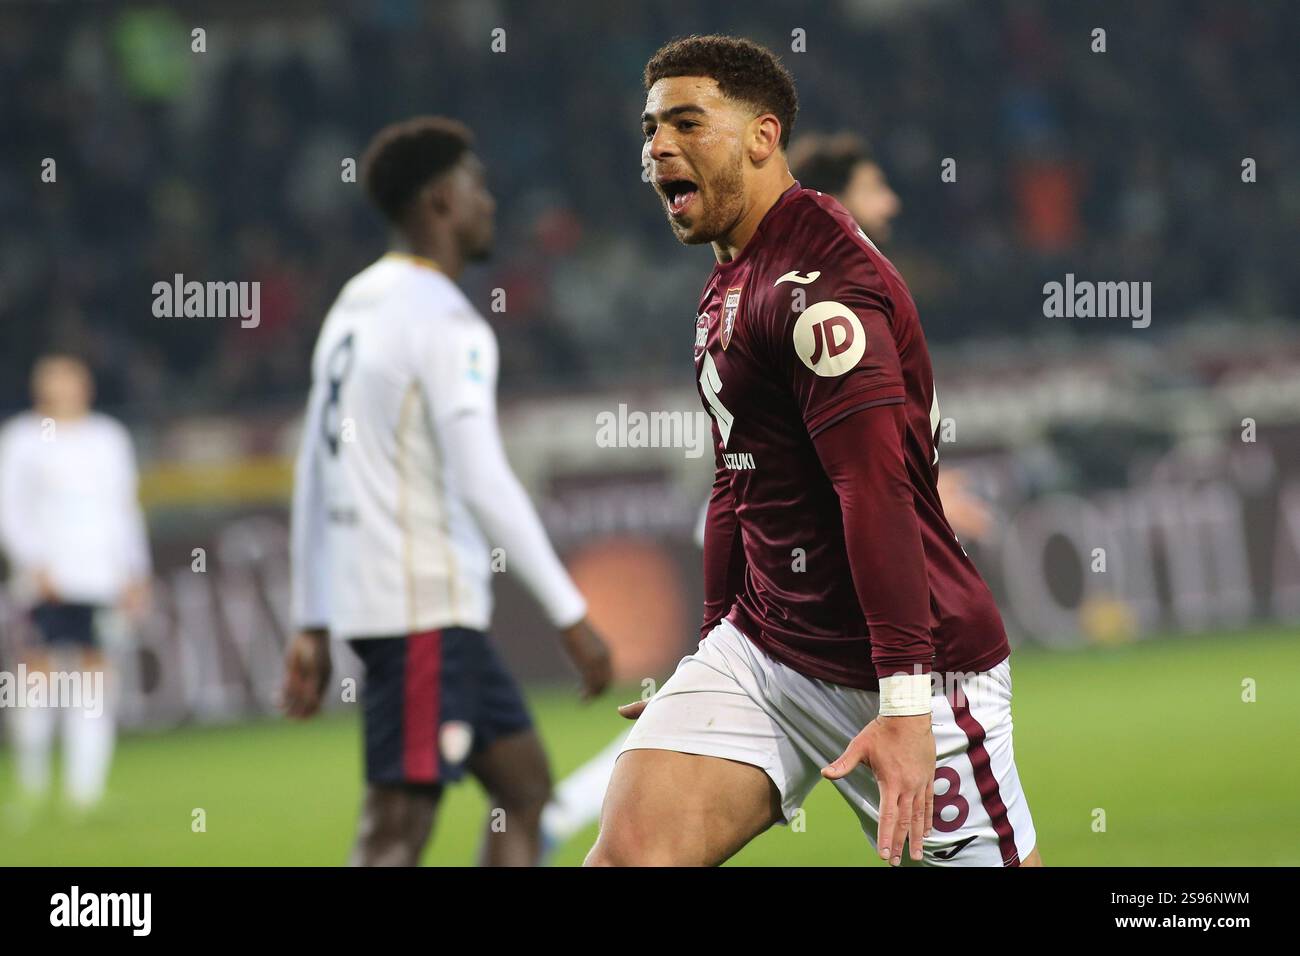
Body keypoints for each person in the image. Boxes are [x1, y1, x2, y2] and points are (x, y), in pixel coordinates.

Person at [587, 35, 1040, 867]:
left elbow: (875, 492)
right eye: (650, 129)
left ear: (763, 137)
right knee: (628, 858)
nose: (657, 148)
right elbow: (737, 480)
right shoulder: (733, 278)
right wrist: (711, 643)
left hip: (911, 676)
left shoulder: (819, 290)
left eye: (687, 123)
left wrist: (904, 705)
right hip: (764, 651)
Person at [282, 117, 611, 866]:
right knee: (396, 828)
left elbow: (313, 462)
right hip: (421, 609)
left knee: (526, 791)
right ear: (439, 200)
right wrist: (570, 613)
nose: (489, 202)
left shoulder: (352, 305)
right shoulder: (446, 320)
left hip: (409, 609)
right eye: (476, 186)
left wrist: (310, 615)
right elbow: (481, 475)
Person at [790, 131, 993, 542]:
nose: (891, 203)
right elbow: (848, 439)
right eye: (872, 189)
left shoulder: (854, 287)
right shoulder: (827, 303)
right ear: (832, 202)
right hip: (846, 539)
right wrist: (915, 501)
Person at [0, 354, 151, 815]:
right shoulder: (23, 438)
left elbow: (125, 508)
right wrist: (31, 562)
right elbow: (8, 507)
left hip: (100, 578)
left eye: (72, 378)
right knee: (37, 676)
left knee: (95, 675)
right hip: (47, 579)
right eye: (54, 379)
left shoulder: (108, 437)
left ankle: (84, 791)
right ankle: (31, 787)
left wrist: (135, 570)